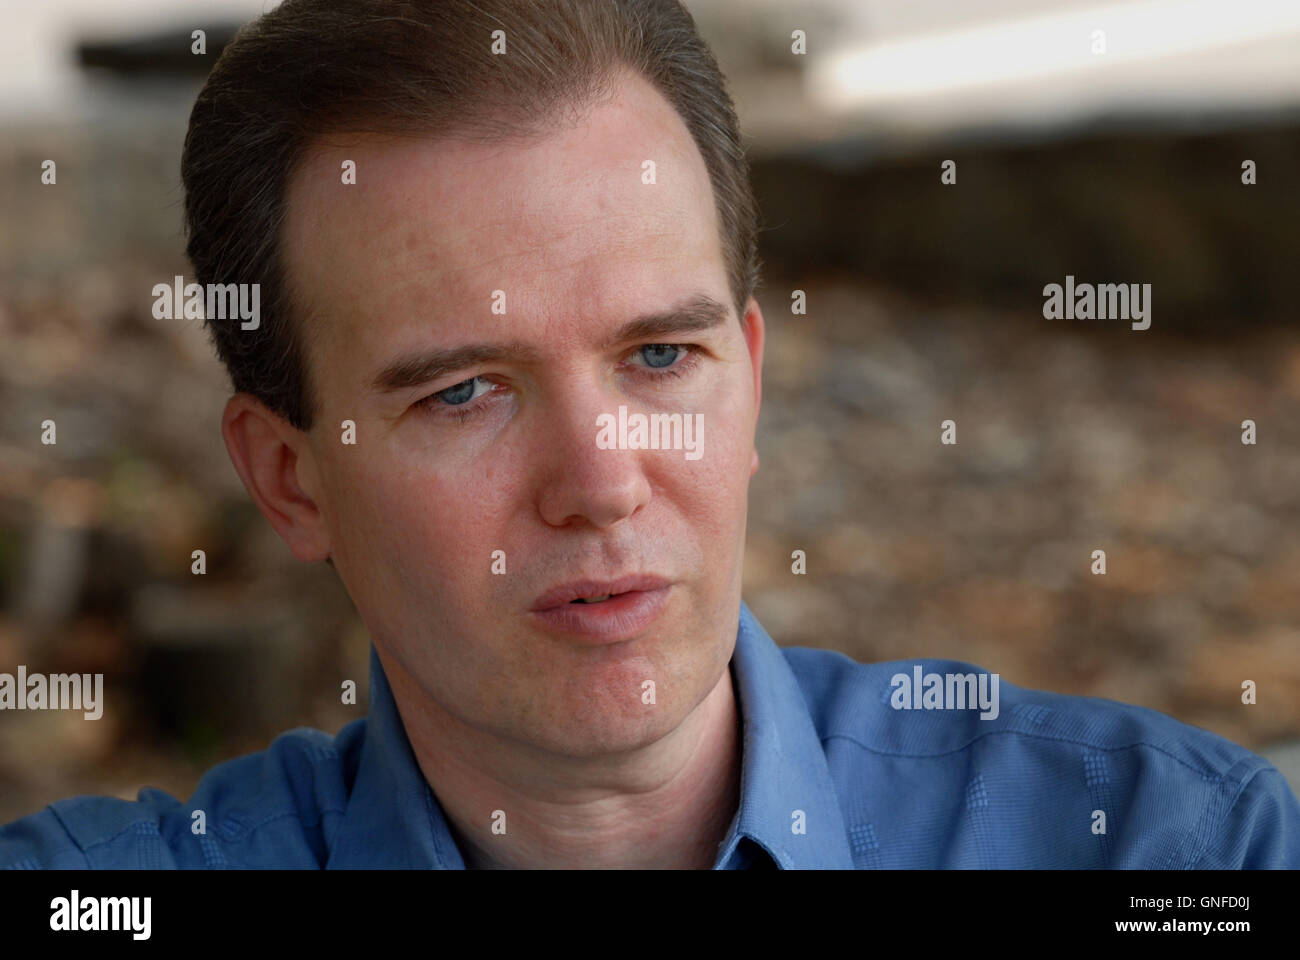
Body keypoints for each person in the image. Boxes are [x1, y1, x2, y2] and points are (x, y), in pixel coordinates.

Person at [3, 0, 1297, 869]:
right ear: (292, 479)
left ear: (749, 374)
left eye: (659, 356)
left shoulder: (1161, 848)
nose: (601, 482)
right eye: (463, 392)